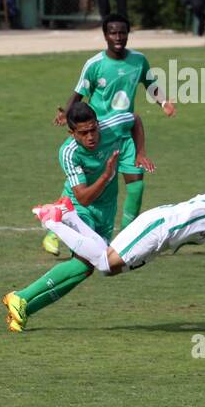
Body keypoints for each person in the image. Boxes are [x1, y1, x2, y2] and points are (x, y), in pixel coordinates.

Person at [8, 167, 205, 332]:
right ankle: (53, 220)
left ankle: (68, 215)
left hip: (162, 236)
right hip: (161, 226)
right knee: (105, 264)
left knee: (108, 266)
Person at [50, 13, 177, 252]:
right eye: (113, 33)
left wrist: (163, 102)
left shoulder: (139, 60)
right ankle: (54, 225)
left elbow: (150, 84)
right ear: (105, 35)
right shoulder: (95, 64)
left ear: (128, 34)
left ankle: (126, 241)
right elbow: (78, 94)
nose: (118, 37)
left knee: (136, 186)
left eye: (122, 33)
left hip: (126, 132)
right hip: (98, 135)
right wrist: (67, 114)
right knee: (85, 186)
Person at [13, 102, 146, 311]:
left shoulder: (113, 125)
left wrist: (140, 153)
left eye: (93, 129)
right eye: (83, 133)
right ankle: (20, 298)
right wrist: (106, 175)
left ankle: (24, 307)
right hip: (77, 208)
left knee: (86, 267)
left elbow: (135, 119)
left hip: (106, 211)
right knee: (87, 261)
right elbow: (83, 198)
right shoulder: (69, 152)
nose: (90, 137)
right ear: (72, 133)